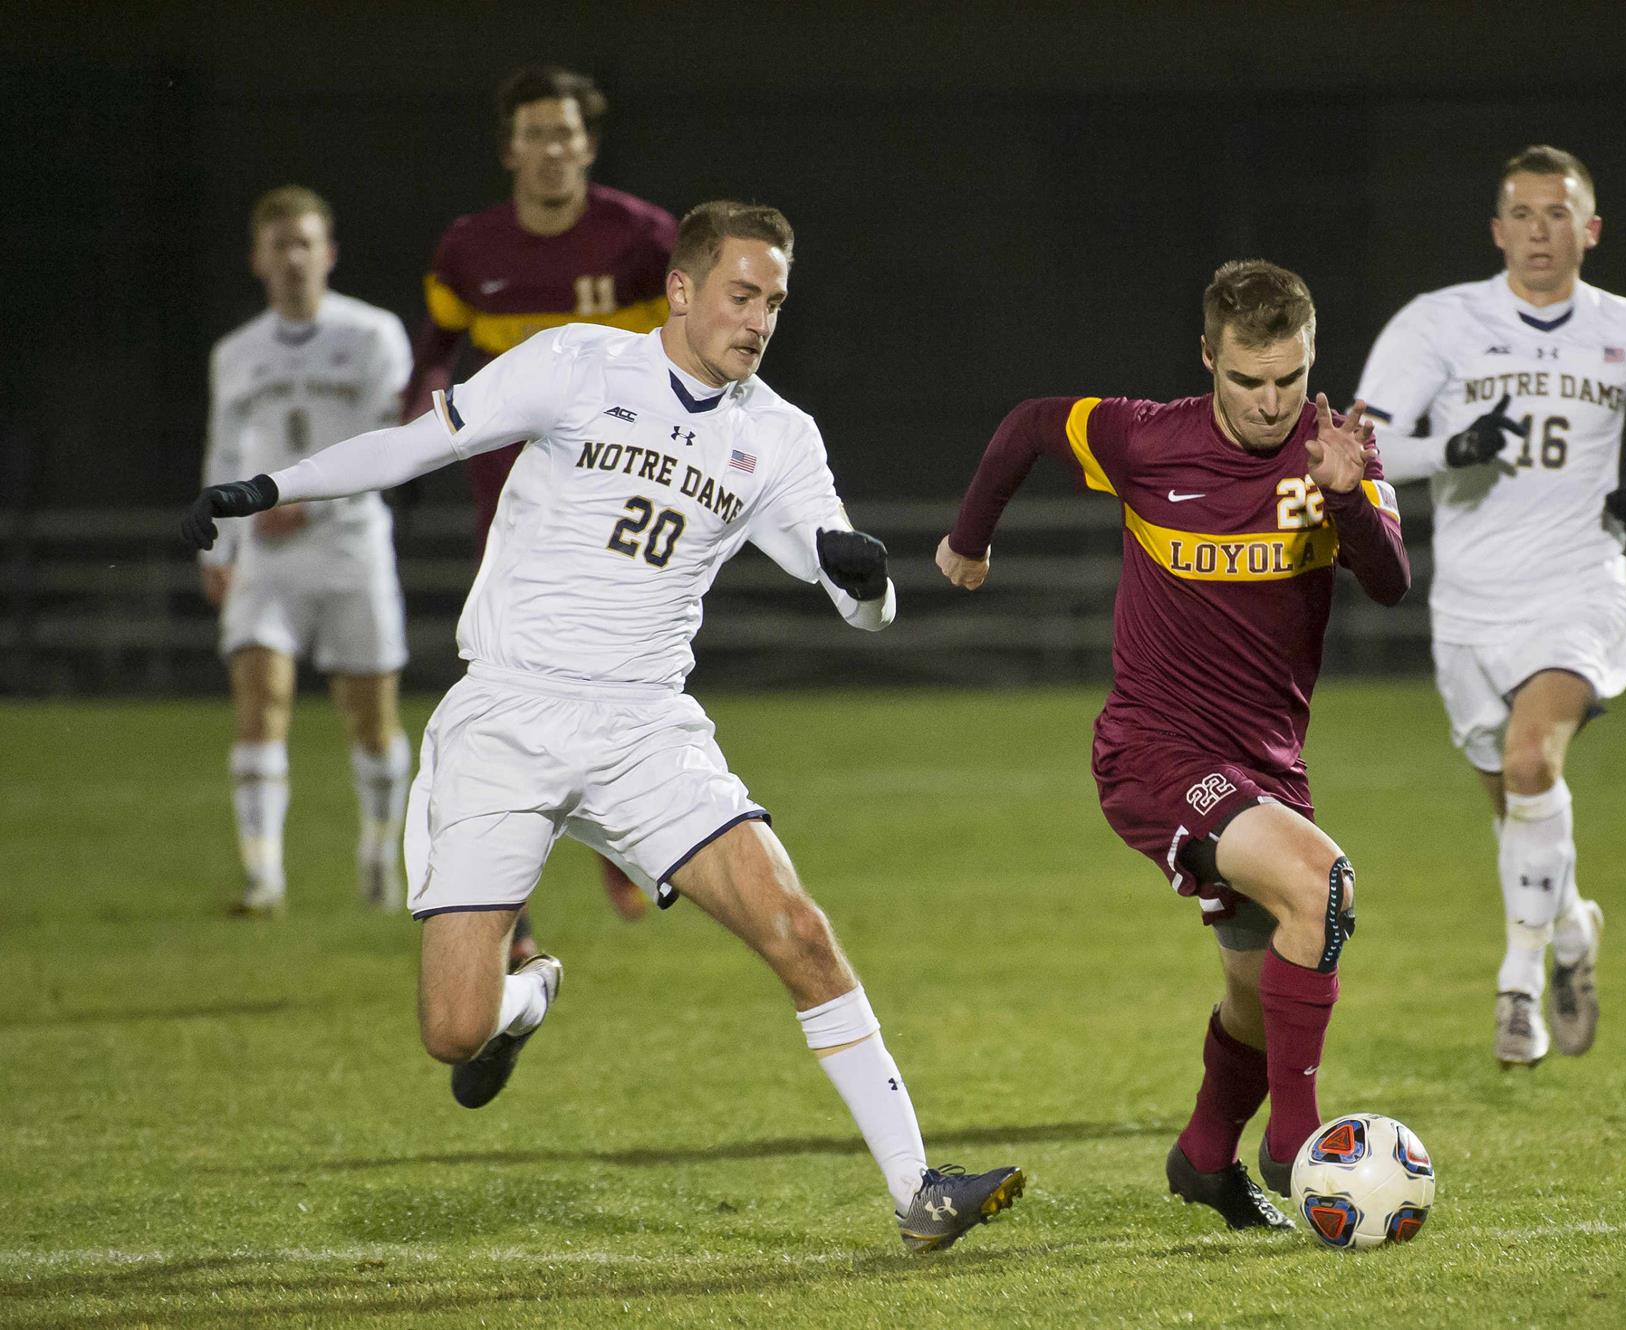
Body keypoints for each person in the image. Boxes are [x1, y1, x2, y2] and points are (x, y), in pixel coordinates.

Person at [182, 200, 1024, 1253]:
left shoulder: (777, 437)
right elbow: (412, 448)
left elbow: (858, 592)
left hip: (643, 732)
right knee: (453, 1030)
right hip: (507, 716)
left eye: (774, 301)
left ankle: (917, 1187)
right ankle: (524, 998)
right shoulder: (575, 364)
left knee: (798, 930)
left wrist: (864, 580)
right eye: (740, 294)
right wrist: (269, 486)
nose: (758, 319)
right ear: (680, 289)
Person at [937, 261, 1409, 1229]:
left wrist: (1347, 497)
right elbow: (1030, 422)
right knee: (1322, 886)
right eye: (1246, 380)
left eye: (1287, 377)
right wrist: (969, 537)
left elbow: (1392, 582)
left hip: (1266, 768)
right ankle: (1298, 1148)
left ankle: (1202, 1157)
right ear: (1206, 360)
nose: (1270, 402)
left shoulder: (1335, 461)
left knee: (1257, 986)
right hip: (1153, 751)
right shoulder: (1145, 438)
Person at [1354, 145, 1626, 1068]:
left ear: (1589, 230)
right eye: (1521, 214)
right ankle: (1570, 933)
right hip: (1472, 611)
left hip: (1579, 587)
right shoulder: (1440, 324)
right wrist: (1454, 445)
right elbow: (1355, 448)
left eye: (1557, 213)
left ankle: (1518, 982)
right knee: (1516, 806)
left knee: (1532, 763)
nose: (1538, 230)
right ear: (1497, 231)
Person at [403, 64, 680, 934]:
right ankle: (504, 905)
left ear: (588, 144)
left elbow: (697, 339)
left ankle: (615, 842)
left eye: (567, 133)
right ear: (511, 149)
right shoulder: (469, 249)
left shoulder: (643, 240)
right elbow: (433, 354)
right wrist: (425, 401)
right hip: (513, 517)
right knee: (505, 696)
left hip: (620, 509)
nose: (553, 149)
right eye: (537, 134)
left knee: (618, 679)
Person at [199, 186, 413, 916]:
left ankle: (380, 856)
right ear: (258, 258)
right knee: (261, 703)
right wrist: (217, 546)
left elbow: (396, 447)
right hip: (266, 556)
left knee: (372, 722)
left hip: (352, 548)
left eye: (305, 243)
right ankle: (264, 879)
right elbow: (223, 452)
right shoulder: (236, 353)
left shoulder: (374, 335)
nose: (293, 257)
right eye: (279, 244)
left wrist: (311, 503)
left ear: (329, 253)